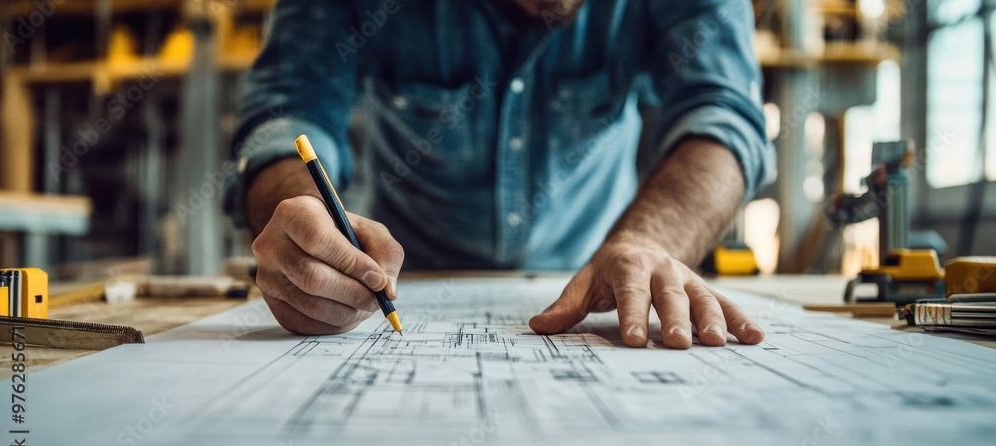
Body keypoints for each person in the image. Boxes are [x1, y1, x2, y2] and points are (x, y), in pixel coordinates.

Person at [225, 0, 774, 349]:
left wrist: (648, 243)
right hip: (395, 283)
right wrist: (300, 212)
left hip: (594, 288)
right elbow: (286, 112)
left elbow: (722, 115)